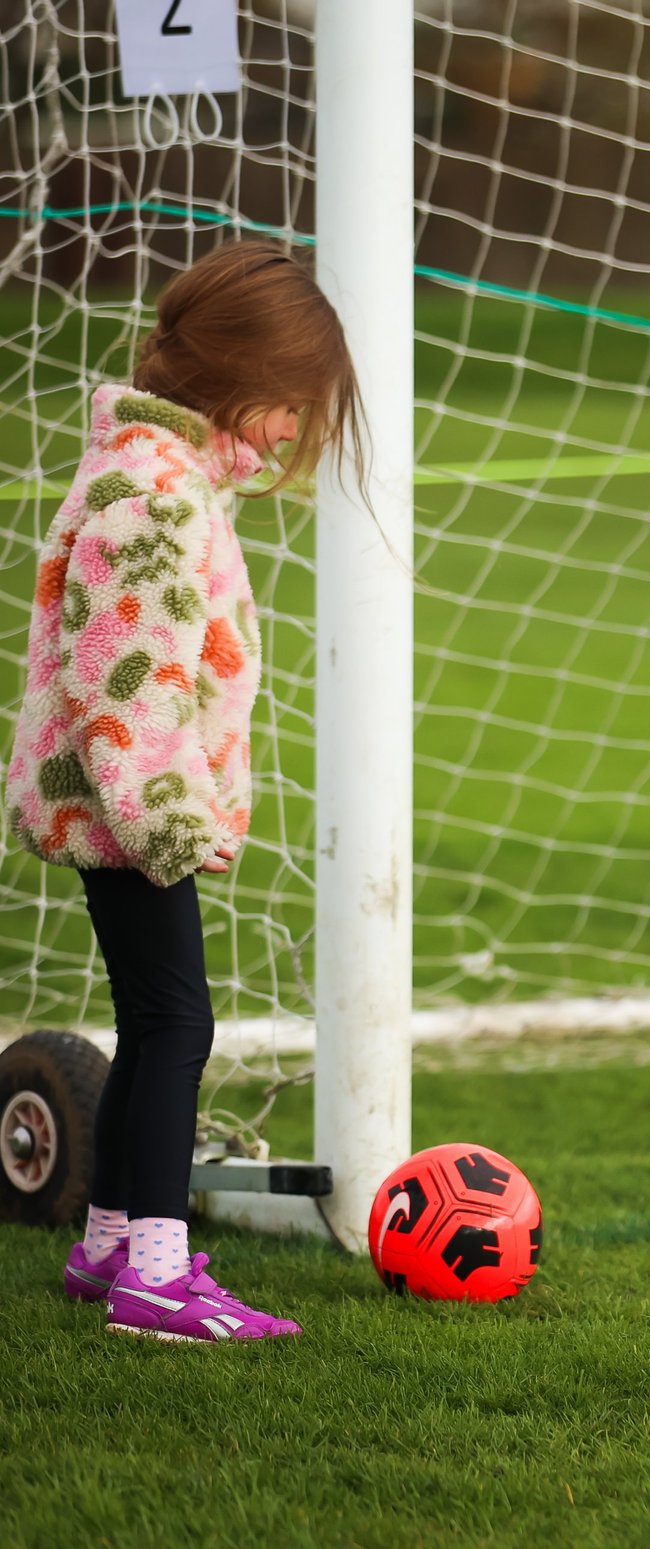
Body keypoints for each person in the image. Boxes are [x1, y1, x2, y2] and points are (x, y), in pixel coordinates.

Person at [6, 239, 365, 1341]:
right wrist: (170, 821)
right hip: (131, 815)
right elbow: (126, 678)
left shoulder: (159, 475)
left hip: (121, 810)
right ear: (242, 381)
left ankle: (110, 1240)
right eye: (294, 409)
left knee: (150, 1019)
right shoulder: (154, 496)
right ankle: (154, 1275)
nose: (295, 435)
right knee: (176, 1026)